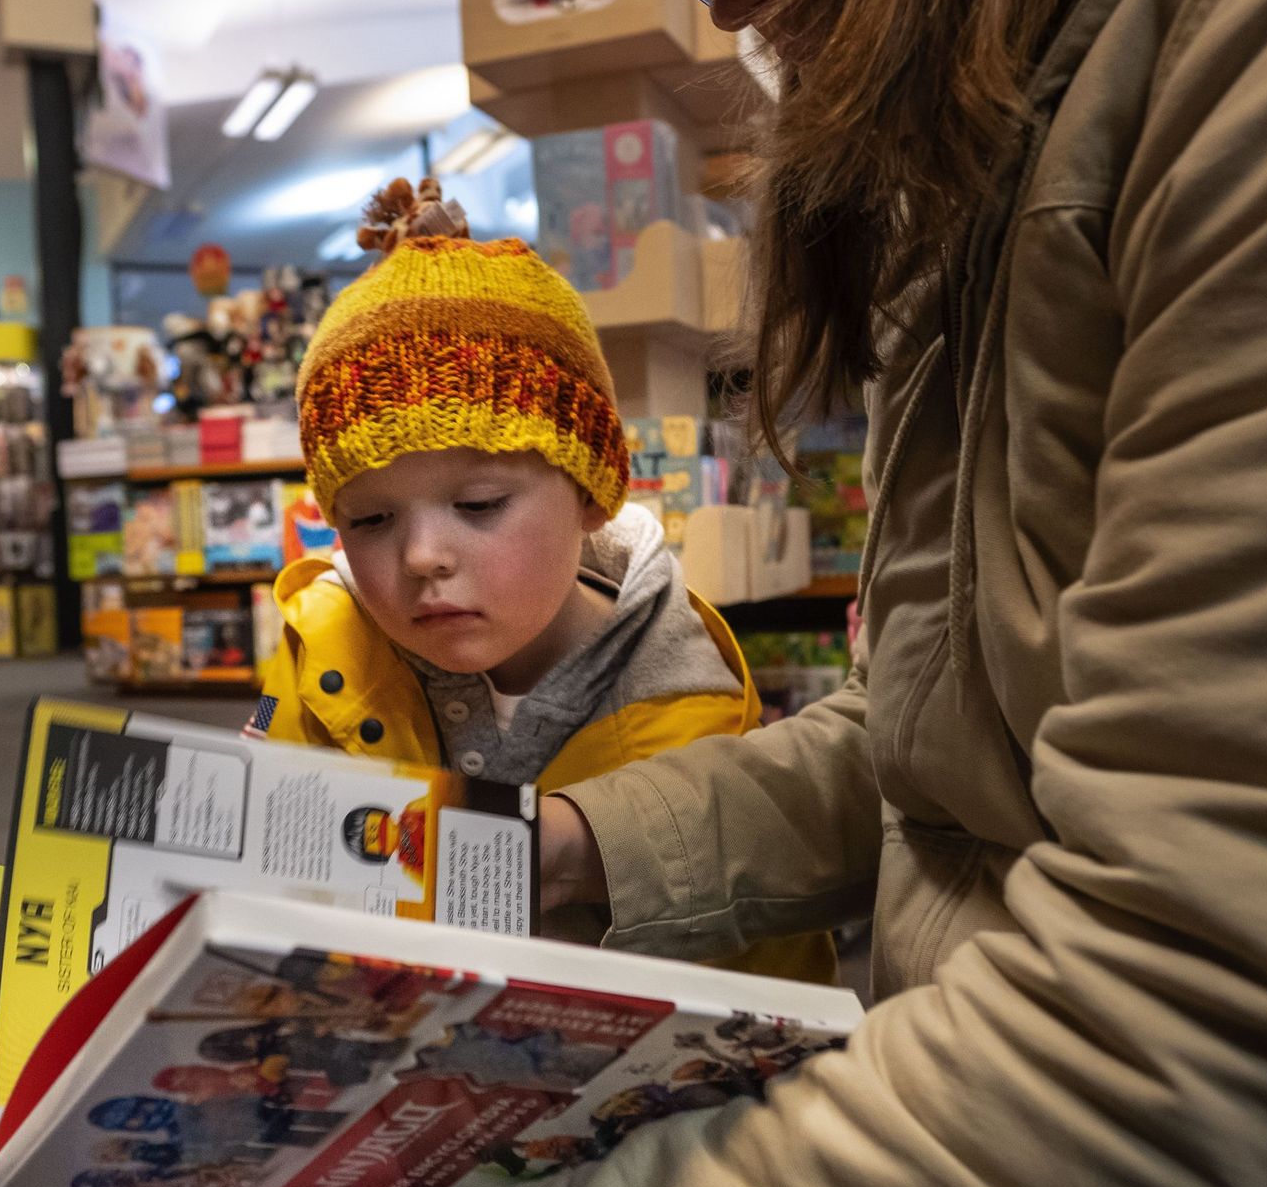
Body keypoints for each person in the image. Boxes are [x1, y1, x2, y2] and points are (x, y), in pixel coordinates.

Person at [117, 0, 1267, 1187]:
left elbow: (1243, 1011)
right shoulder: (1004, 128)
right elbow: (935, 739)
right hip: (995, 1114)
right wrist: (570, 843)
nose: (727, 13)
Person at [255, 177, 836, 982]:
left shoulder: (683, 697)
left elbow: (767, 968)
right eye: (371, 521)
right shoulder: (321, 647)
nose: (422, 555)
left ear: (591, 492)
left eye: (480, 503)